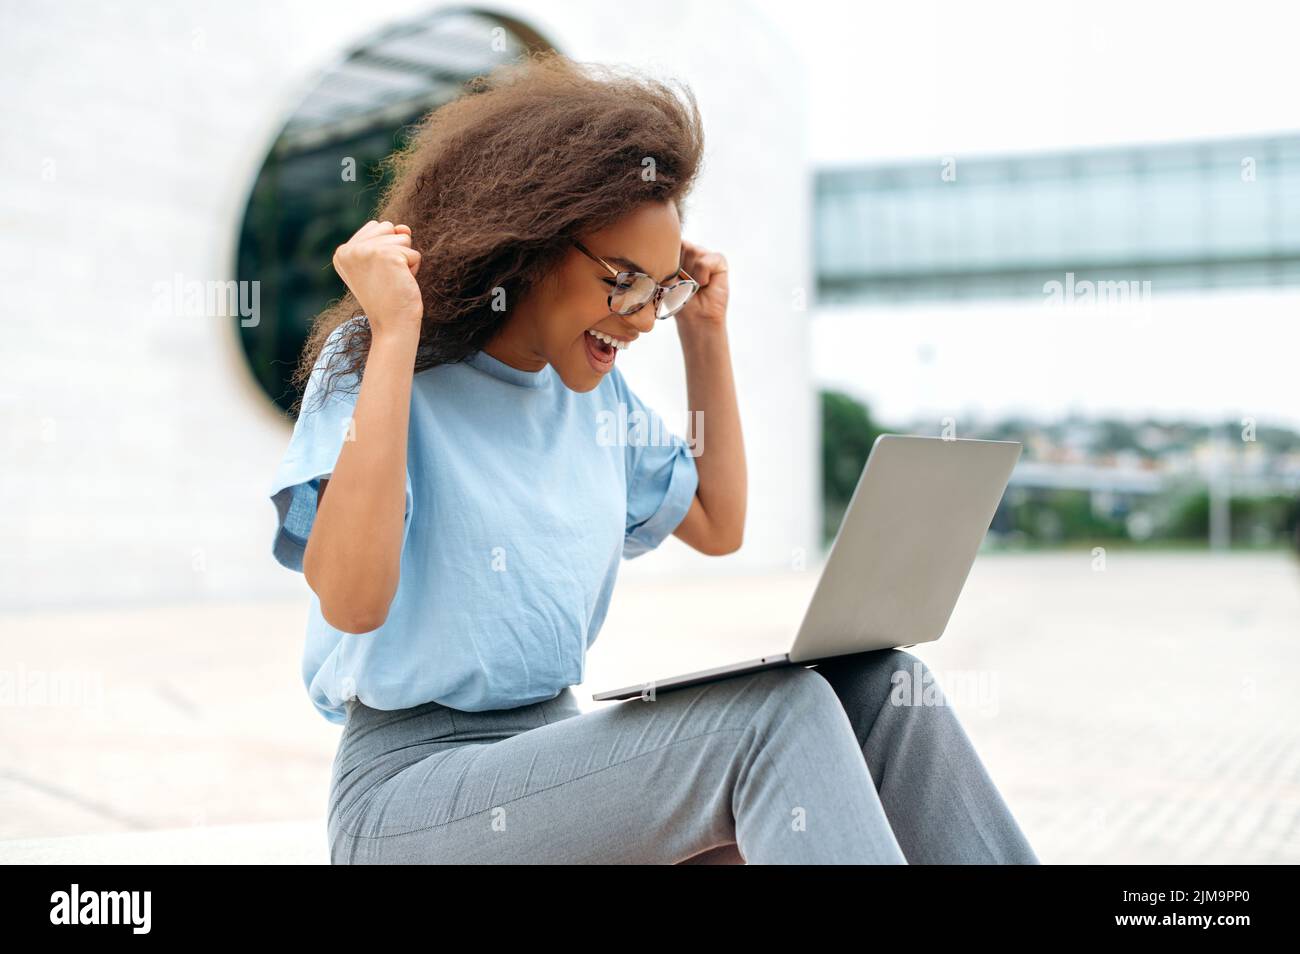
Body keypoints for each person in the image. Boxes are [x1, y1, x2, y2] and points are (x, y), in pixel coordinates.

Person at [268, 51, 1039, 864]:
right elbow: (353, 601)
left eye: (659, 289)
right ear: (527, 240)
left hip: (555, 762)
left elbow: (716, 521)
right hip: (409, 795)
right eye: (623, 280)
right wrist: (392, 331)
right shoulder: (379, 359)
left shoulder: (594, 396)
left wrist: (704, 331)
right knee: (773, 722)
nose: (640, 318)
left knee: (881, 691)